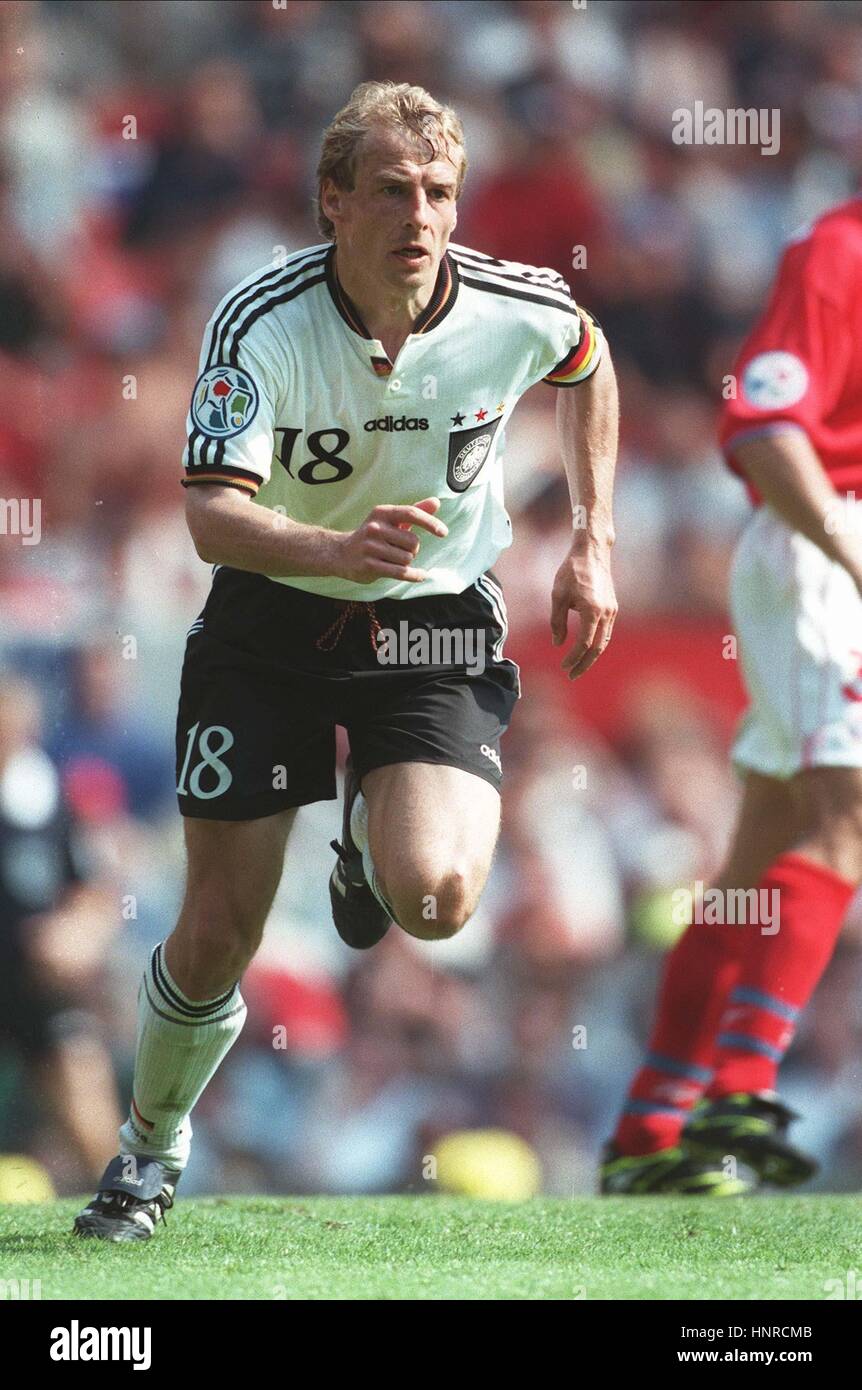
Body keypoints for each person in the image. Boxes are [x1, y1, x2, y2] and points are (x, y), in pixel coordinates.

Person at [74, 80, 618, 1240]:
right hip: (271, 617)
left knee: (437, 898)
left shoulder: (515, 308)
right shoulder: (258, 323)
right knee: (219, 927)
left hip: (428, 620)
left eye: (438, 193)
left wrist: (592, 540)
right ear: (333, 201)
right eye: (390, 190)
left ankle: (371, 848)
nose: (419, 216)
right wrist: (332, 542)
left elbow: (588, 362)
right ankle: (149, 1146)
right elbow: (210, 515)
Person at [604, 197, 862, 1195]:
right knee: (844, 831)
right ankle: (740, 1096)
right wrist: (844, 553)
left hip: (827, 559)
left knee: (756, 865)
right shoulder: (837, 252)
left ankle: (649, 1128)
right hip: (821, 549)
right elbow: (763, 428)